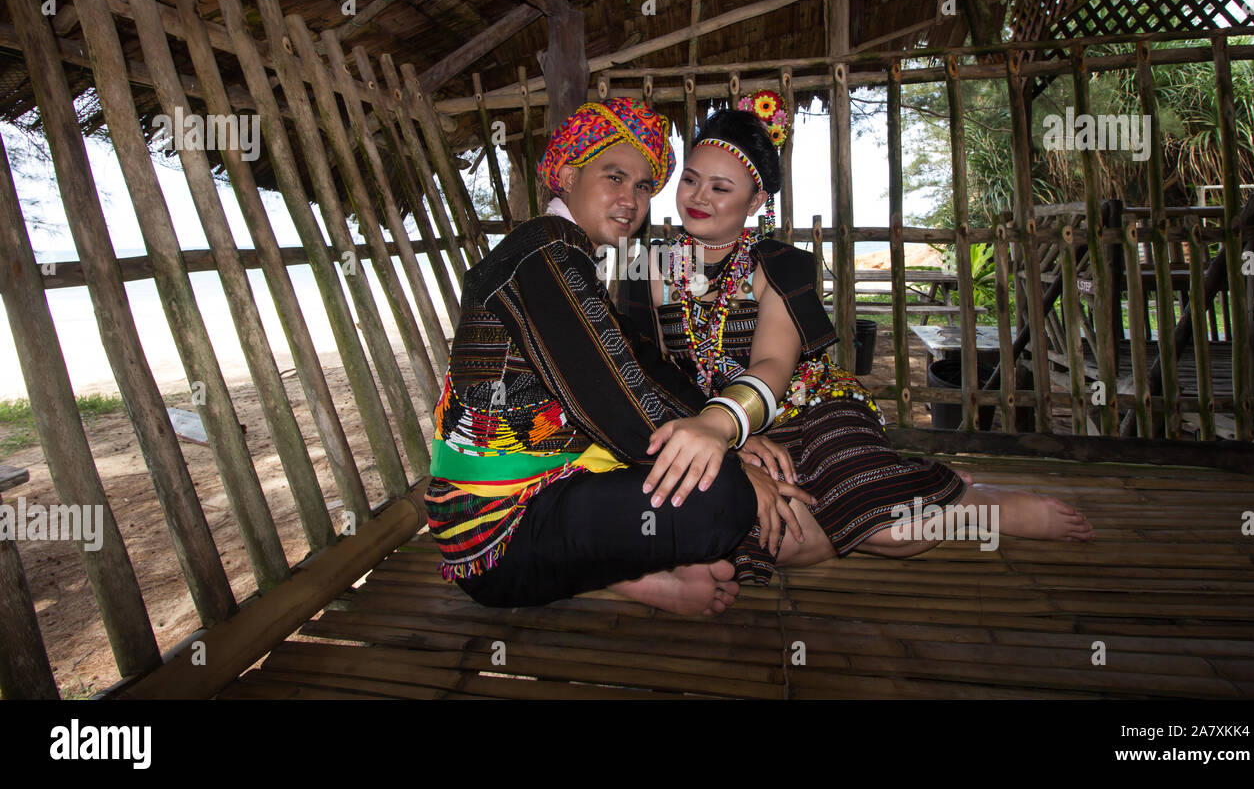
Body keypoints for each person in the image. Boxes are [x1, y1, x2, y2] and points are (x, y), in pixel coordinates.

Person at [625, 90, 1094, 586]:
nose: (698, 198)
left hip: (812, 410)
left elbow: (772, 368)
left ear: (757, 199)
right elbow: (648, 373)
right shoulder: (648, 268)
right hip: (724, 432)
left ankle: (987, 510)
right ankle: (901, 489)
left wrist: (722, 426)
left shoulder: (777, 266)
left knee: (889, 532)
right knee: (780, 539)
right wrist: (728, 445)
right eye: (691, 180)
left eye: (720, 187)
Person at [424, 97, 812, 616]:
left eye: (644, 186)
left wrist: (720, 428)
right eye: (614, 177)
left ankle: (625, 574)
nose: (630, 199)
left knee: (706, 474)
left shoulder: (569, 257)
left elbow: (640, 365)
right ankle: (625, 577)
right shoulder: (543, 254)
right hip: (494, 530)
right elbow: (616, 399)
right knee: (722, 498)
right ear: (566, 175)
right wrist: (727, 456)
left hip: (553, 486)